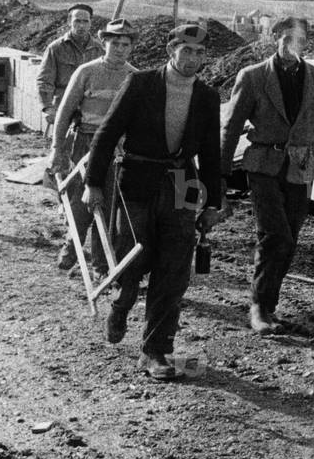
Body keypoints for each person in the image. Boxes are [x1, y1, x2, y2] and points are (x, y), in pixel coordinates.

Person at [83, 23, 223, 381]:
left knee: (174, 269)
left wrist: (212, 204)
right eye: (186, 50)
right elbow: (107, 133)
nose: (192, 58)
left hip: (181, 184)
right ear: (170, 50)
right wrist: (93, 183)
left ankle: (155, 351)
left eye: (199, 53)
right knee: (132, 259)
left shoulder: (207, 96)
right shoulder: (141, 83)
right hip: (137, 181)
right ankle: (122, 303)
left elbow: (211, 153)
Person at [221, 16, 314, 334]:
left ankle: (268, 306)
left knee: (290, 240)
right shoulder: (253, 76)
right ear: (275, 39)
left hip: (301, 167)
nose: (293, 45)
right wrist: (220, 176)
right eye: (287, 38)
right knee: (275, 236)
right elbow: (231, 128)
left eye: (300, 40)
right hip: (263, 164)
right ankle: (259, 307)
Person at [50, 18, 138, 271]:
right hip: (85, 142)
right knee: (80, 202)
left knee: (109, 205)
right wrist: (57, 149)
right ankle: (72, 246)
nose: (119, 49)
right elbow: (64, 112)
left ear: (131, 47)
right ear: (104, 43)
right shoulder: (86, 71)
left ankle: (101, 264)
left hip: (117, 150)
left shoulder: (134, 77)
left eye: (125, 44)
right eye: (114, 43)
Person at [37, 3, 103, 127]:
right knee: (61, 139)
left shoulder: (99, 49)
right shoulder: (56, 48)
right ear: (69, 21)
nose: (81, 26)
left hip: (89, 110)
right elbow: (45, 80)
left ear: (90, 23)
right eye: (77, 21)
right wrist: (48, 108)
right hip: (63, 106)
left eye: (85, 21)